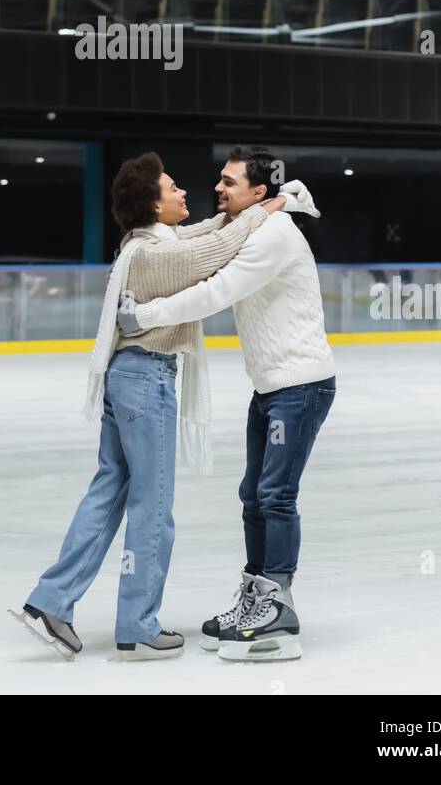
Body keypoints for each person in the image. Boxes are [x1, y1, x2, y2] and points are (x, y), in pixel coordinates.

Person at [11, 153, 309, 662]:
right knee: (152, 504)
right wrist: (278, 202)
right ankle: (139, 627)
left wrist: (255, 208)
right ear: (154, 203)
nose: (187, 195)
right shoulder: (158, 256)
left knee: (108, 492)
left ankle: (51, 601)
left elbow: (207, 231)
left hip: (124, 378)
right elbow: (218, 245)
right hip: (146, 380)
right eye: (174, 189)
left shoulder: (145, 244)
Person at [130, 146, 335, 664]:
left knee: (275, 495)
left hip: (300, 384)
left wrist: (147, 314)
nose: (217, 189)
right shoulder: (249, 224)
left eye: (229, 182)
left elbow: (215, 289)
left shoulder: (273, 235)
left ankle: (278, 606)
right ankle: (255, 595)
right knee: (253, 494)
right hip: (271, 386)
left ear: (258, 192)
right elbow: (197, 243)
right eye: (218, 180)